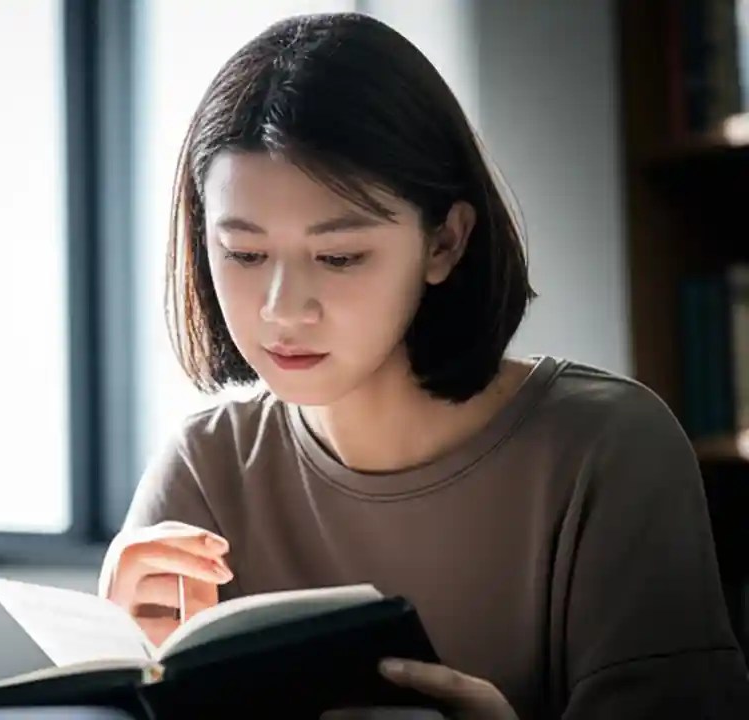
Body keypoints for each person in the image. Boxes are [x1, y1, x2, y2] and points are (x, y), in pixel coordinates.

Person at [96, 12, 749, 720]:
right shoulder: (204, 467)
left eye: (339, 256)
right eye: (244, 254)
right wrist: (118, 663)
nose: (283, 310)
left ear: (445, 243)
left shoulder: (609, 449)